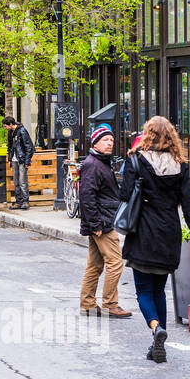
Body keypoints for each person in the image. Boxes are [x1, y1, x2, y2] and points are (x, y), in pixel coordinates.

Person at [119, 115, 190, 364]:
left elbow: (124, 194)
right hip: (169, 232)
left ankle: (155, 327)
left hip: (143, 233)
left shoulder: (136, 160)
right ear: (171, 136)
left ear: (147, 134)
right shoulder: (180, 165)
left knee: (143, 290)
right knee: (160, 289)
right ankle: (159, 343)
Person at [77, 125, 131, 318]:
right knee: (115, 262)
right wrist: (96, 225)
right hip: (103, 222)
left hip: (102, 219)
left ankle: (88, 304)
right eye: (105, 140)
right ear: (95, 143)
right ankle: (110, 303)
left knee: (95, 265)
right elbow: (87, 196)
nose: (110, 143)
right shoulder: (93, 164)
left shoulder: (100, 162)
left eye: (112, 141)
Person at [4, 115, 35, 210]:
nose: (4, 128)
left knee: (22, 181)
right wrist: (9, 159)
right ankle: (18, 201)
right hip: (14, 159)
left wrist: (27, 161)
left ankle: (25, 201)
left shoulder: (22, 131)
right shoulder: (10, 132)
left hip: (21, 159)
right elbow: (10, 147)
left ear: (10, 124)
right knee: (16, 181)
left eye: (5, 126)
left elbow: (29, 147)